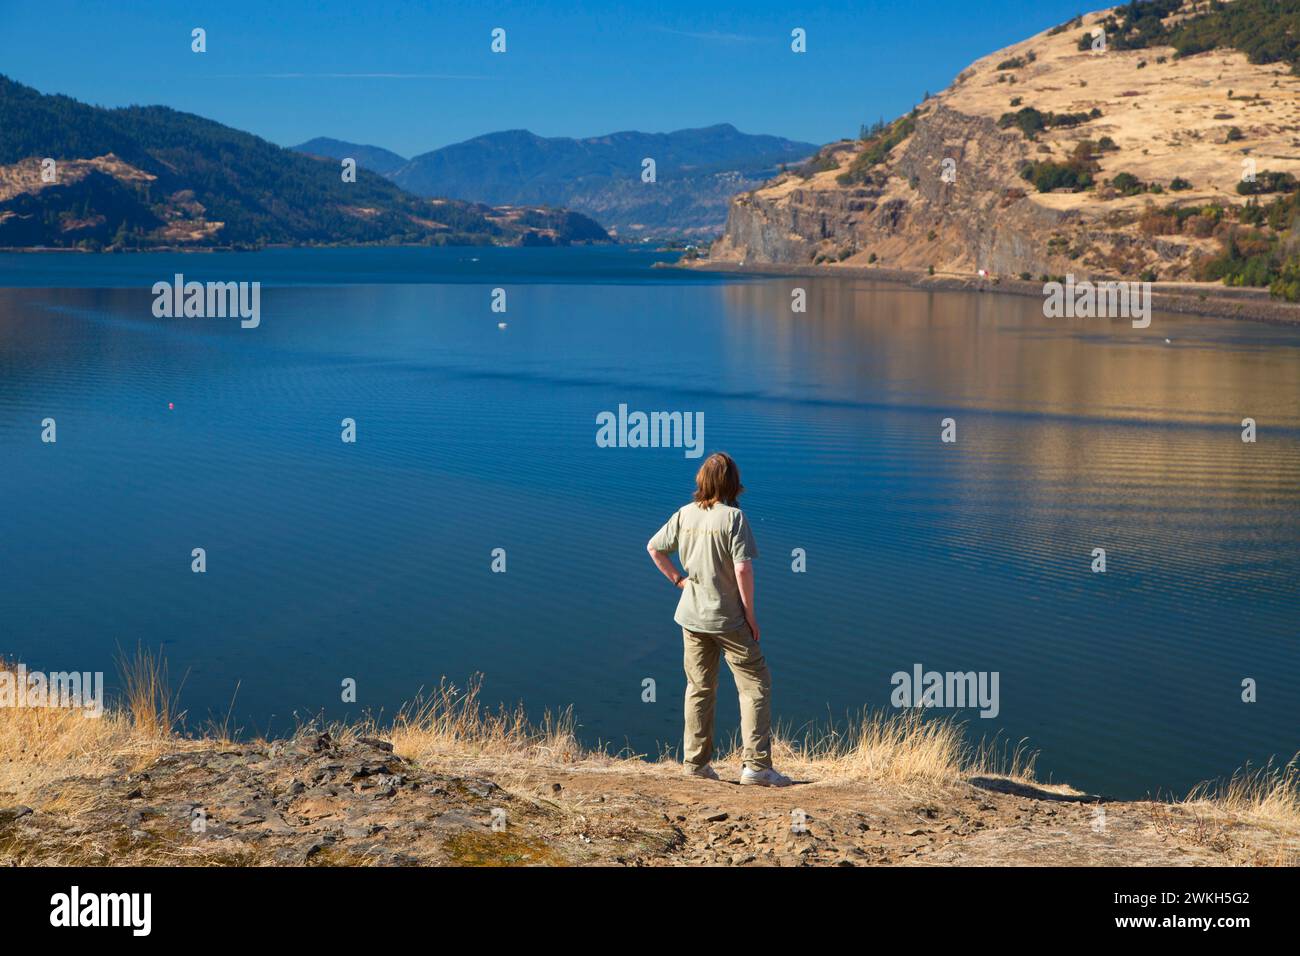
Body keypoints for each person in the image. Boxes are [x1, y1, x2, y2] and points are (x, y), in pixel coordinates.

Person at [646, 452, 792, 787]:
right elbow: (742, 568)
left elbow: (654, 548)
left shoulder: (685, 514)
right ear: (732, 484)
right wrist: (750, 614)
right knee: (755, 684)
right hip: (728, 618)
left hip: (692, 616)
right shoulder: (733, 519)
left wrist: (679, 581)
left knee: (699, 688)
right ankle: (756, 767)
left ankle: (696, 765)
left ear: (702, 481)